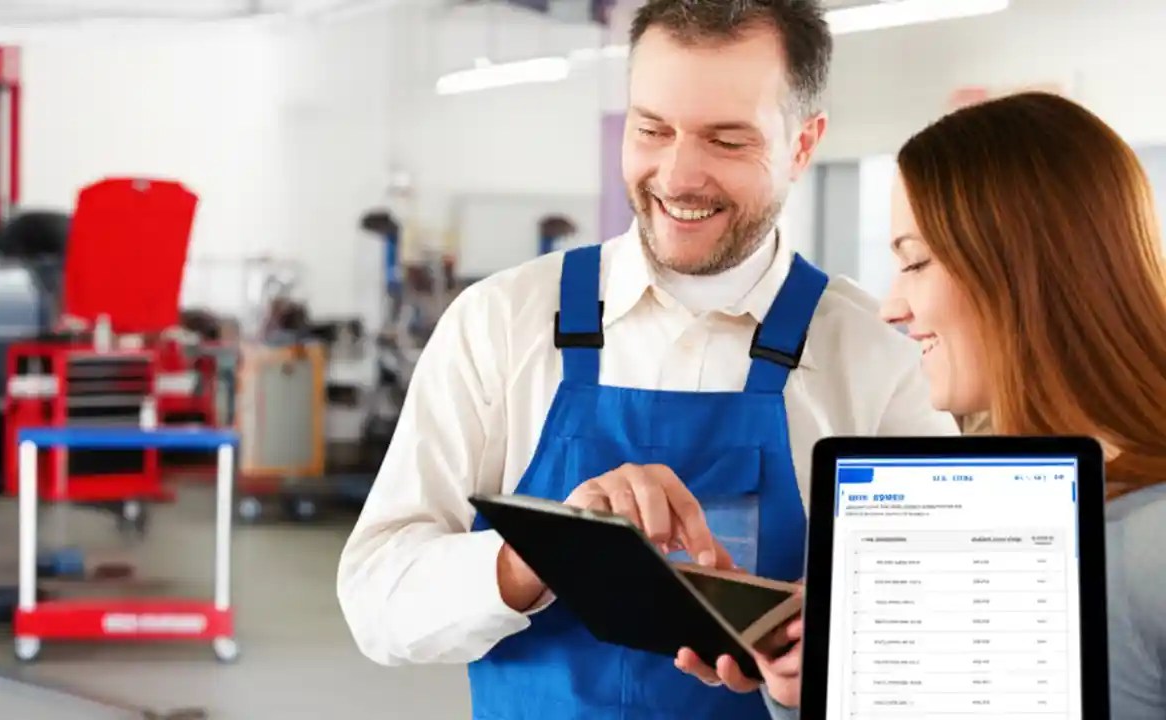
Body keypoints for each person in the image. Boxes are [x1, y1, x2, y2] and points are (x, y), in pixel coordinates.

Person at [336, 1, 957, 718]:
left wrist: (843, 649)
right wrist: (528, 558)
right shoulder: (500, 324)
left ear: (803, 144)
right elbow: (375, 602)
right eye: (651, 129)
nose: (678, 175)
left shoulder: (880, 361)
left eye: (727, 140)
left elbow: (934, 653)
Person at [681, 91, 1166, 718]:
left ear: (1021, 272)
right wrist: (827, 683)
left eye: (916, 262)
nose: (892, 307)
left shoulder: (1147, 547)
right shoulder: (994, 518)